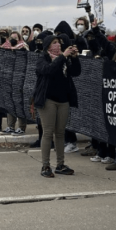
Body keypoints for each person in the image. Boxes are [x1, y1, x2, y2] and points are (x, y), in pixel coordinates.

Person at [33, 35, 81, 178]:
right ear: (48, 46)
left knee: (60, 133)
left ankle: (60, 164)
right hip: (48, 99)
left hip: (63, 99)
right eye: (54, 43)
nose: (58, 45)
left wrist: (74, 57)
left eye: (59, 43)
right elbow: (48, 70)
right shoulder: (43, 59)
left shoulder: (64, 58)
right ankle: (46, 165)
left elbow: (76, 72)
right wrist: (63, 57)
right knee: (48, 132)